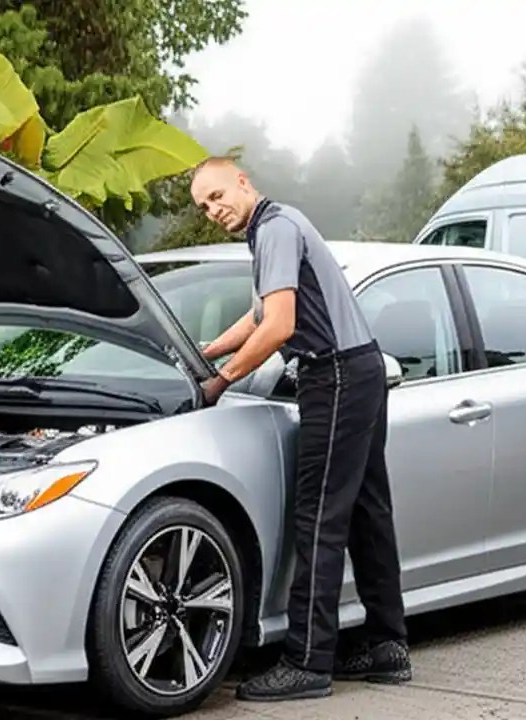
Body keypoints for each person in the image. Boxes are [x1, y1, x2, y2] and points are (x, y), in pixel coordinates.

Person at [190, 157, 411, 702]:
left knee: (318, 517)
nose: (214, 210)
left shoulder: (275, 229)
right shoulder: (277, 227)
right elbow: (260, 315)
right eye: (204, 206)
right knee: (365, 511)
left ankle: (307, 662)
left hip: (333, 374)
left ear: (242, 181)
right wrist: (207, 349)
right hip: (361, 368)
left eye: (218, 195)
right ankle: (387, 646)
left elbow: (280, 326)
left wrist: (219, 381)